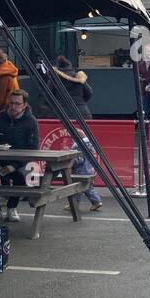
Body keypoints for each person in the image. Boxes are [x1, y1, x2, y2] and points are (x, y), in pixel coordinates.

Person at [54, 56, 103, 212]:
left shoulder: (55, 78)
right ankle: (84, 200)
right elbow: (89, 92)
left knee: (72, 144)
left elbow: (50, 94)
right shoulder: (78, 77)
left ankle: (75, 201)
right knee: (84, 141)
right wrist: (81, 102)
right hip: (82, 112)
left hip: (63, 111)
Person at [0, 90, 39, 222]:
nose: (13, 107)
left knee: (20, 176)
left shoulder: (31, 121)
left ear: (24, 105)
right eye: (11, 103)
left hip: (20, 161)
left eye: (17, 103)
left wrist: (14, 165)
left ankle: (12, 207)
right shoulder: (0, 117)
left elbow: (32, 148)